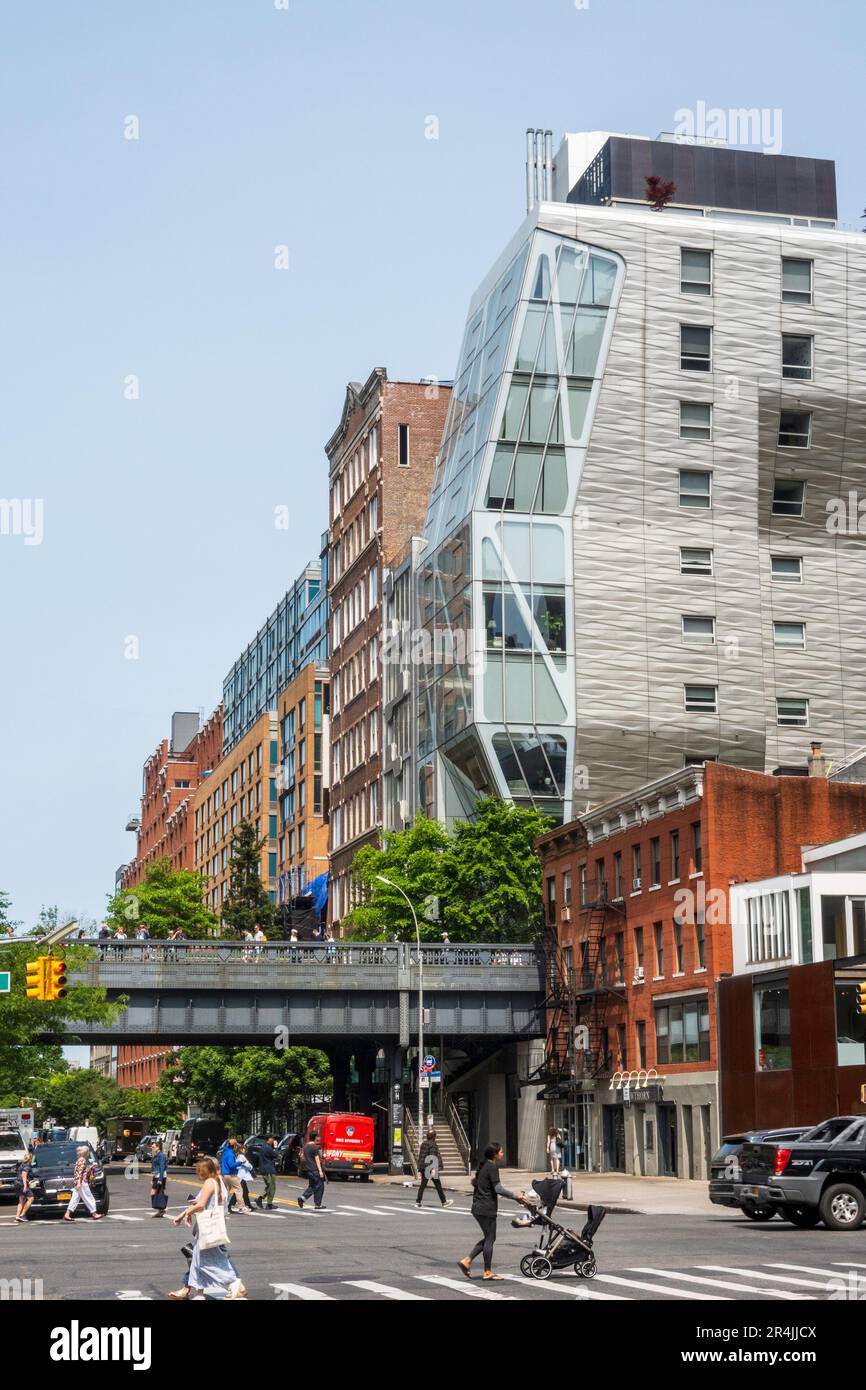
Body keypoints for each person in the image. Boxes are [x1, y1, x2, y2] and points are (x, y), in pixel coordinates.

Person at [169, 1157, 246, 1300]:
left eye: (199, 1170)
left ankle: (234, 1282)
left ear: (205, 1170)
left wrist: (185, 1214)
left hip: (207, 1229)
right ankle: (199, 1294)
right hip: (208, 1228)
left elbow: (201, 1205)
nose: (197, 1172)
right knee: (197, 1262)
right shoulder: (215, 1182)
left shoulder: (210, 1183)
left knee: (210, 1262)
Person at [457, 1142, 523, 1282]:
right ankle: (487, 1271)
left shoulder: (484, 1166)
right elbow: (498, 1189)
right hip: (487, 1208)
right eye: (501, 1152)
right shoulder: (491, 1167)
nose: (502, 1154)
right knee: (490, 1239)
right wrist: (515, 1195)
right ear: (494, 1154)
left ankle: (467, 1260)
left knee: (489, 1238)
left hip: (478, 1207)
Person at [415, 1128, 454, 1210]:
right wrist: (433, 1169)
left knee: (423, 1185)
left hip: (423, 1167)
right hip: (430, 1168)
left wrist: (419, 1169)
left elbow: (421, 1157)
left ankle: (418, 1202)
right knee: (438, 1185)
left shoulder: (423, 1144)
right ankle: (444, 1202)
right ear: (434, 1136)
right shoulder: (433, 1144)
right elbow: (432, 1157)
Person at [63, 1146, 104, 1222]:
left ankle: (67, 1214)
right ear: (85, 1153)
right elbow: (80, 1173)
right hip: (82, 1182)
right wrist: (79, 1183)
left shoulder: (80, 1160)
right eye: (88, 1152)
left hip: (78, 1182)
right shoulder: (83, 1160)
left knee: (75, 1199)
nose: (88, 1154)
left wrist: (91, 1167)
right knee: (89, 1197)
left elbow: (82, 1171)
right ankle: (94, 1214)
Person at [297, 1130, 326, 1210]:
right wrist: (320, 1171)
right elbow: (317, 1160)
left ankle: (303, 1198)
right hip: (315, 1170)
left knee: (313, 1186)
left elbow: (302, 1157)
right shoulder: (315, 1147)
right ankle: (317, 1204)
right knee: (319, 1186)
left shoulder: (305, 1146)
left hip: (308, 1170)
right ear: (316, 1138)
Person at [220, 1139, 248, 1214]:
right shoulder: (230, 1154)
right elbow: (231, 1165)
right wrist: (240, 1162)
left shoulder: (226, 1152)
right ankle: (241, 1207)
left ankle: (223, 1207)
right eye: (236, 1146)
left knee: (226, 1192)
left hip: (225, 1174)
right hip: (230, 1175)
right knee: (238, 1190)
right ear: (234, 1146)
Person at [255, 1136, 278, 1210]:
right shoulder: (268, 1148)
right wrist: (276, 1147)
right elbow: (275, 1155)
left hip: (264, 1169)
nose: (273, 1140)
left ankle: (260, 1198)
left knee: (269, 1186)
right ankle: (269, 1204)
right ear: (269, 1139)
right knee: (272, 1187)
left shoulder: (264, 1147)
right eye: (272, 1138)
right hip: (269, 1170)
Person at [150, 1140, 168, 1218]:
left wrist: (160, 1179)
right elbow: (155, 1169)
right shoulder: (156, 1155)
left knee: (153, 1192)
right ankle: (161, 1209)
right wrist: (153, 1179)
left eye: (153, 1147)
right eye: (152, 1147)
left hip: (161, 1176)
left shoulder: (161, 1155)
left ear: (158, 1147)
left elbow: (162, 1167)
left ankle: (161, 1208)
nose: (152, 1148)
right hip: (157, 1176)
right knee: (159, 1192)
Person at [14, 1151, 34, 1222]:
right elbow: (24, 1176)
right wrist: (25, 1186)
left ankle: (17, 1217)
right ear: (30, 1159)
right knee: (31, 1198)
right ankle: (22, 1215)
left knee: (21, 1201)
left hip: (17, 1183)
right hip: (22, 1184)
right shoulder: (27, 1166)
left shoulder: (22, 1164)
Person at [235, 1145, 256, 1211]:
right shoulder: (241, 1156)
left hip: (242, 1177)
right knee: (240, 1192)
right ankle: (230, 1205)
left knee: (245, 1192)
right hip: (241, 1177)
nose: (245, 1150)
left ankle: (249, 1205)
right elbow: (248, 1165)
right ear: (241, 1150)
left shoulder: (240, 1156)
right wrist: (251, 1167)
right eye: (244, 1149)